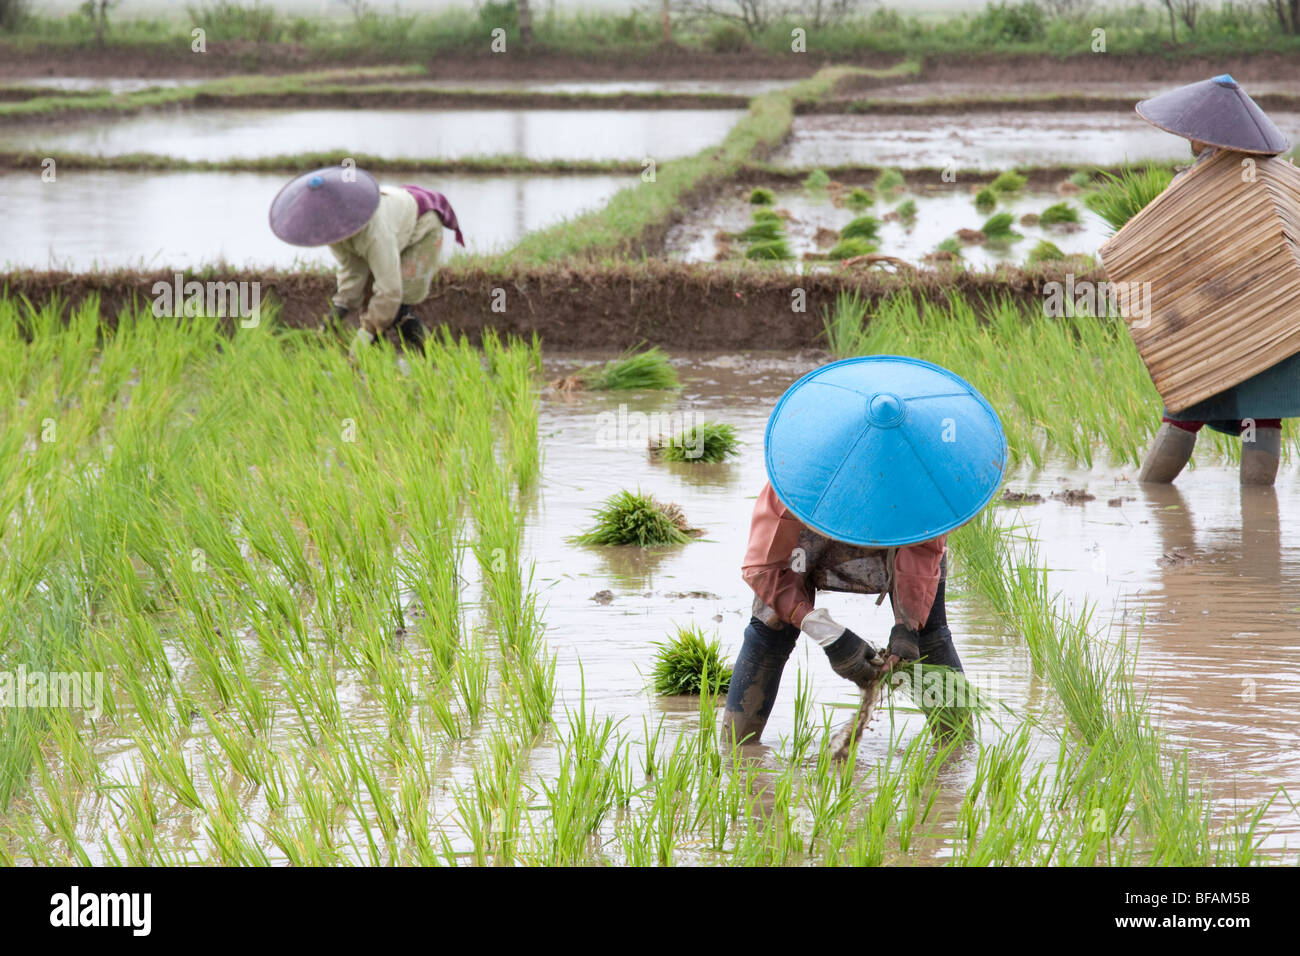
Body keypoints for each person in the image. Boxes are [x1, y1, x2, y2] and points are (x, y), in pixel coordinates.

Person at [722, 355, 1008, 744]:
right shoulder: (795, 487)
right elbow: (765, 569)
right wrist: (826, 632)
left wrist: (907, 627)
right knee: (771, 625)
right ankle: (737, 751)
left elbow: (922, 553)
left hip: (901, 523)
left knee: (930, 637)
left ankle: (956, 751)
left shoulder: (921, 484)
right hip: (808, 535)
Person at [1131, 75, 1293, 486]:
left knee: (1183, 413)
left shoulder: (1191, 186)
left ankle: (1151, 502)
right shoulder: (1281, 180)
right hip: (1276, 321)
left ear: (1203, 138)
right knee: (1261, 415)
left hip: (1209, 321)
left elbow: (1165, 251)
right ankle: (1260, 531)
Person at [268, 166, 464, 355]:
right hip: (396, 217)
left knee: (397, 307)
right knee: (370, 303)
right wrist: (339, 309)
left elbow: (390, 291)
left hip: (422, 228)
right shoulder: (334, 232)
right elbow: (353, 270)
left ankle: (434, 359)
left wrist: (365, 334)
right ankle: (376, 364)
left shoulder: (375, 233)